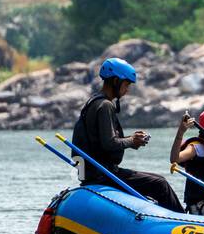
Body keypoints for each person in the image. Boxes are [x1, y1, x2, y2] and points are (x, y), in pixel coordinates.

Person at [71, 58, 183, 211]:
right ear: (116, 80)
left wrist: (131, 140)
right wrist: (131, 141)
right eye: (127, 84)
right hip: (104, 175)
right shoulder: (105, 105)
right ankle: (185, 220)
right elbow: (109, 143)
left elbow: (102, 141)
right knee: (160, 183)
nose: (128, 89)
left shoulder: (93, 102)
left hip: (92, 173)